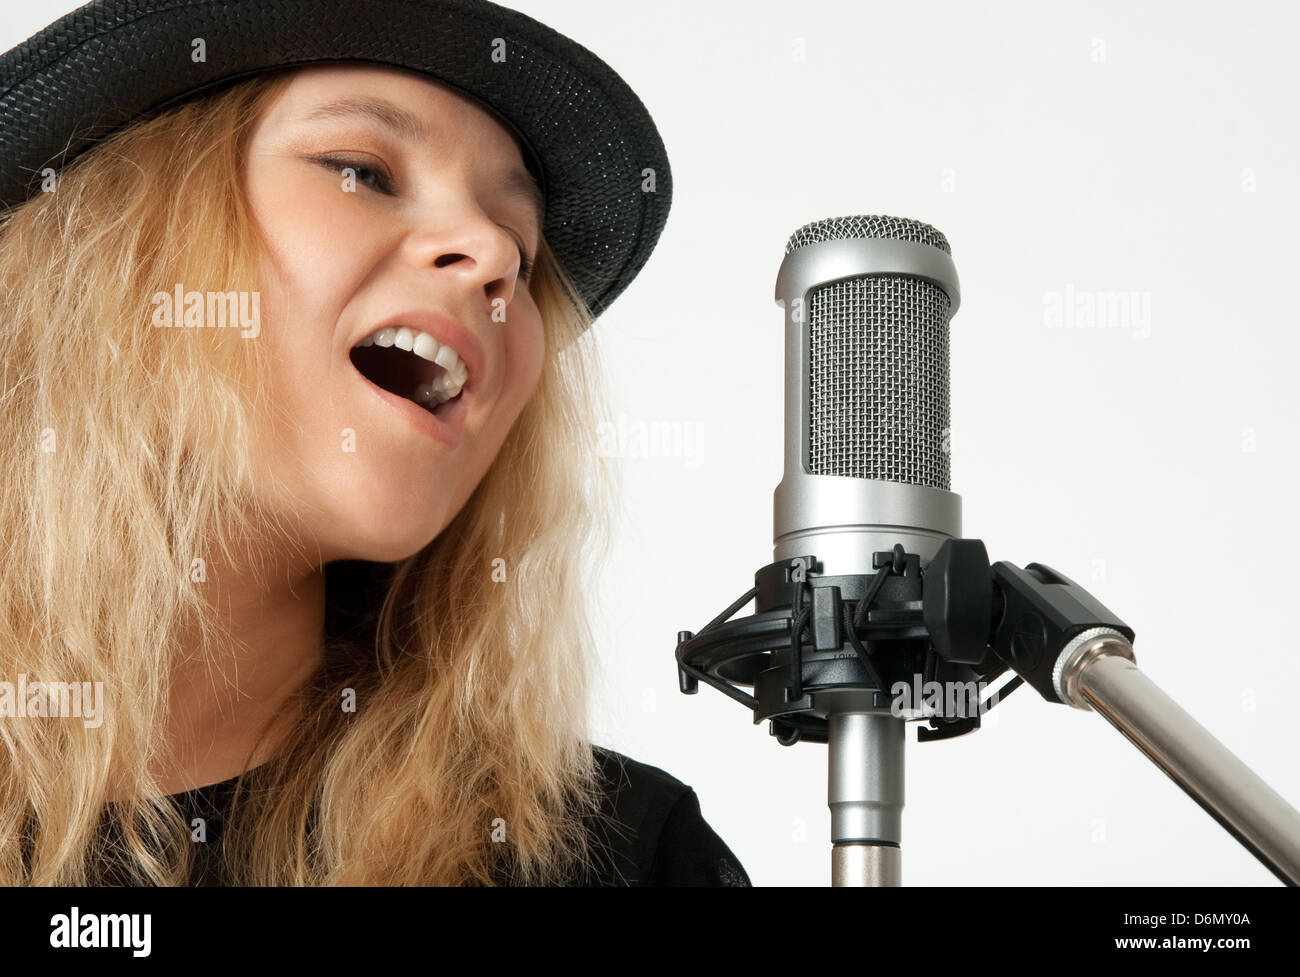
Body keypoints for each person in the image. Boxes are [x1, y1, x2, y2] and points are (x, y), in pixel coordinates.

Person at [0, 0, 750, 886]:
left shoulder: (616, 856)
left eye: (519, 239)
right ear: (114, 251)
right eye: (361, 169)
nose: (492, 252)